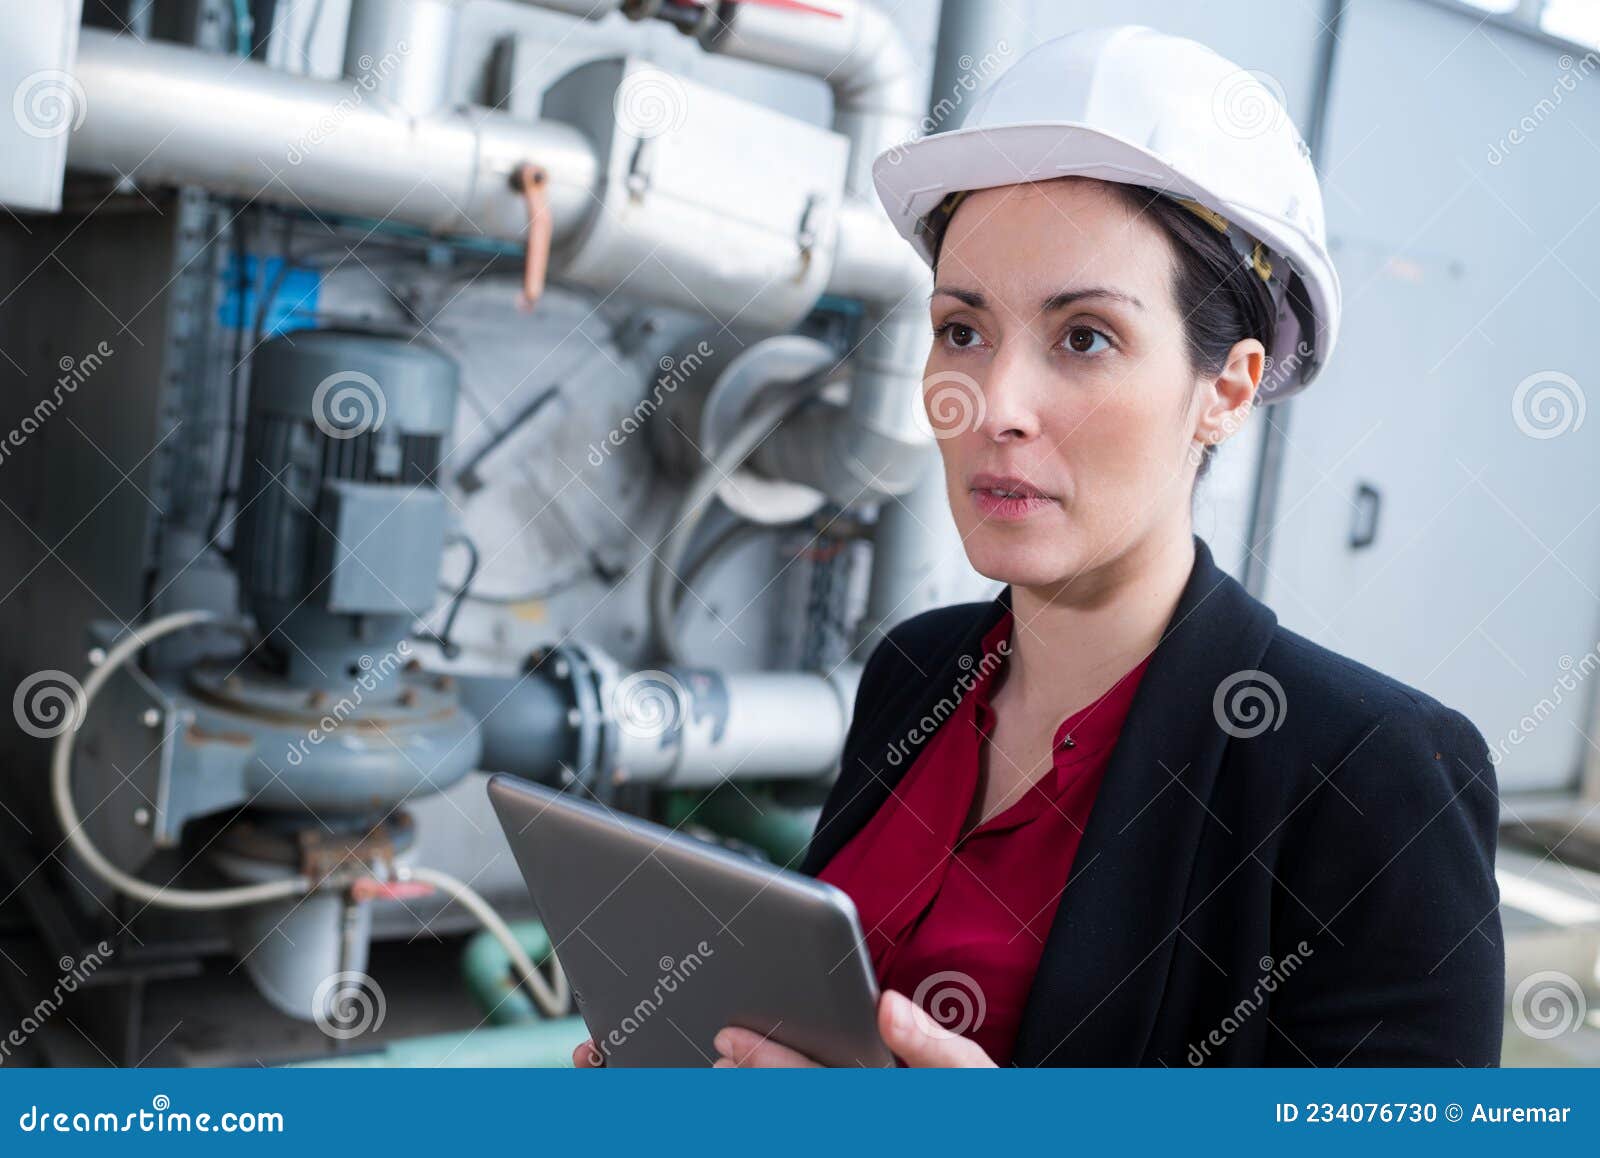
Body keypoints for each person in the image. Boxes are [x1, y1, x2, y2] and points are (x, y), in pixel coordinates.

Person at [581, 23, 1505, 1069]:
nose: (993, 404)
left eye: (1084, 338)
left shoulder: (1371, 776)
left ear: (1227, 389)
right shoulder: (916, 671)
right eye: (963, 329)